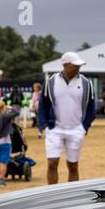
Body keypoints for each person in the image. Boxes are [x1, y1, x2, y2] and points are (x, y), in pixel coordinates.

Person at [35, 51, 96, 184]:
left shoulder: (86, 83)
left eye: (79, 65)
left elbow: (91, 108)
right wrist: (44, 125)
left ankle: (71, 197)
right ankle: (52, 194)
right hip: (54, 129)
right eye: (75, 65)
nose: (78, 67)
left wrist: (84, 127)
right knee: (52, 163)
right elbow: (43, 105)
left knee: (73, 166)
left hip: (76, 129)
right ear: (65, 65)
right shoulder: (50, 82)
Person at [0, 98, 21, 186]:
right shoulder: (4, 117)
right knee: (3, 162)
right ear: (2, 109)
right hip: (5, 142)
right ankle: (1, 180)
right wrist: (10, 108)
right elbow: (16, 113)